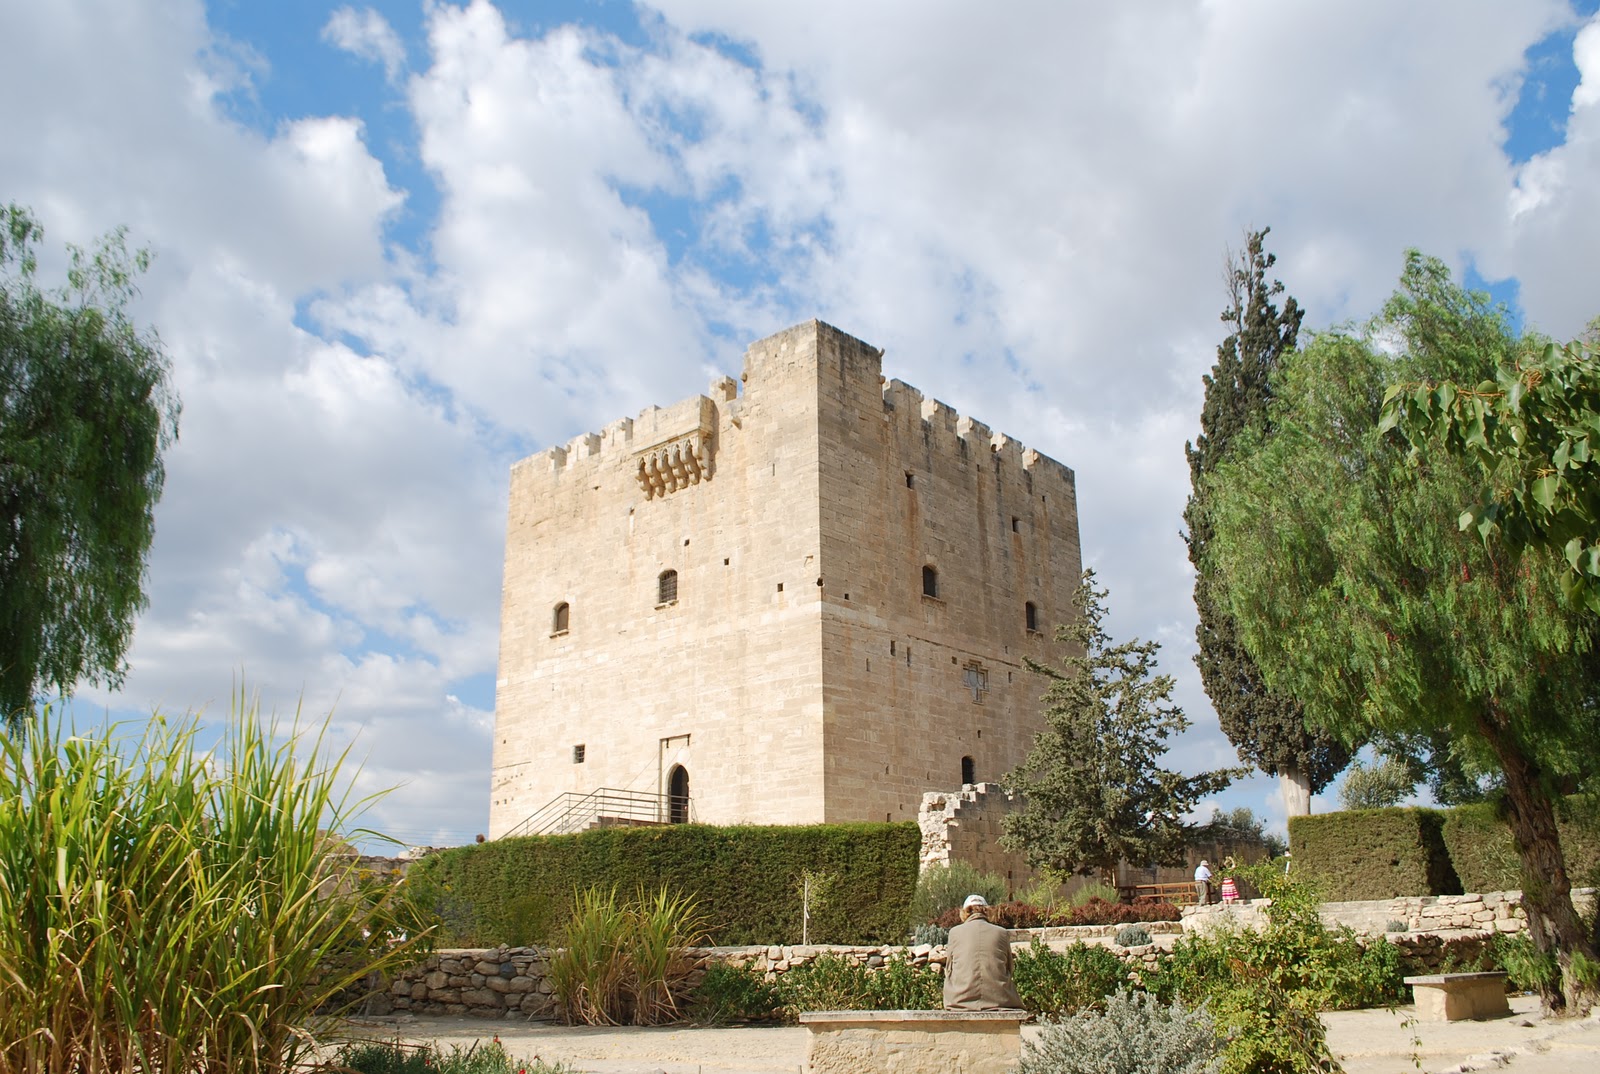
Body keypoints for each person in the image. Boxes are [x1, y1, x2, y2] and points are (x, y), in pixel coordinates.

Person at [942, 894, 1023, 1010]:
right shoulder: (1001, 933)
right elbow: (1009, 968)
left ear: (964, 912)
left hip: (959, 1000)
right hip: (1000, 999)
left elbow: (949, 969)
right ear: (987, 911)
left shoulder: (955, 933)